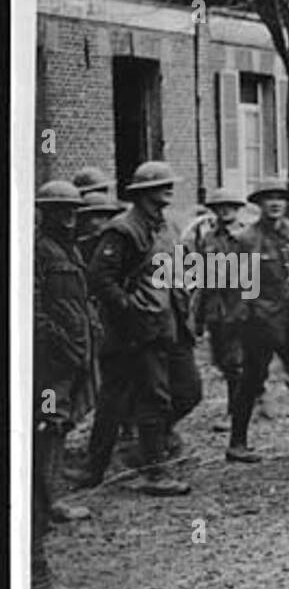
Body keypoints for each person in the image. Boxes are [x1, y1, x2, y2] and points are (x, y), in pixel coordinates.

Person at [72, 161, 199, 496]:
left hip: (170, 324)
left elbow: (180, 269)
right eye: (162, 185)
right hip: (138, 331)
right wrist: (130, 311)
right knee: (148, 398)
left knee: (187, 391)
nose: (170, 189)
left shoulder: (168, 226)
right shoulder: (123, 229)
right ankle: (153, 473)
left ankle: (113, 460)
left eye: (170, 184)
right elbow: (100, 279)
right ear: (143, 193)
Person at [229, 181, 289, 463]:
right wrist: (252, 318)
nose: (275, 203)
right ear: (259, 204)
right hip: (260, 322)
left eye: (280, 198)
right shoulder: (247, 239)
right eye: (269, 199)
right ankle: (237, 443)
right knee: (251, 381)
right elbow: (243, 286)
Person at [34, 180, 96, 529]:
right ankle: (47, 502)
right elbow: (36, 308)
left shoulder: (69, 250)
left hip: (72, 354)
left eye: (73, 210)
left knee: (59, 424)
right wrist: (56, 341)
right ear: (46, 213)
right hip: (50, 360)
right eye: (60, 210)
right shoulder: (39, 250)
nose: (69, 216)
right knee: (48, 424)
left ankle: (50, 498)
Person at [189, 187, 248, 436]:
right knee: (222, 361)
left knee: (236, 363)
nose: (225, 211)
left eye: (230, 207)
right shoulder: (208, 239)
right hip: (216, 309)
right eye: (220, 207)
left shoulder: (247, 237)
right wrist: (199, 317)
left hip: (240, 308)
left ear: (237, 209)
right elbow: (202, 279)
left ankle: (236, 412)